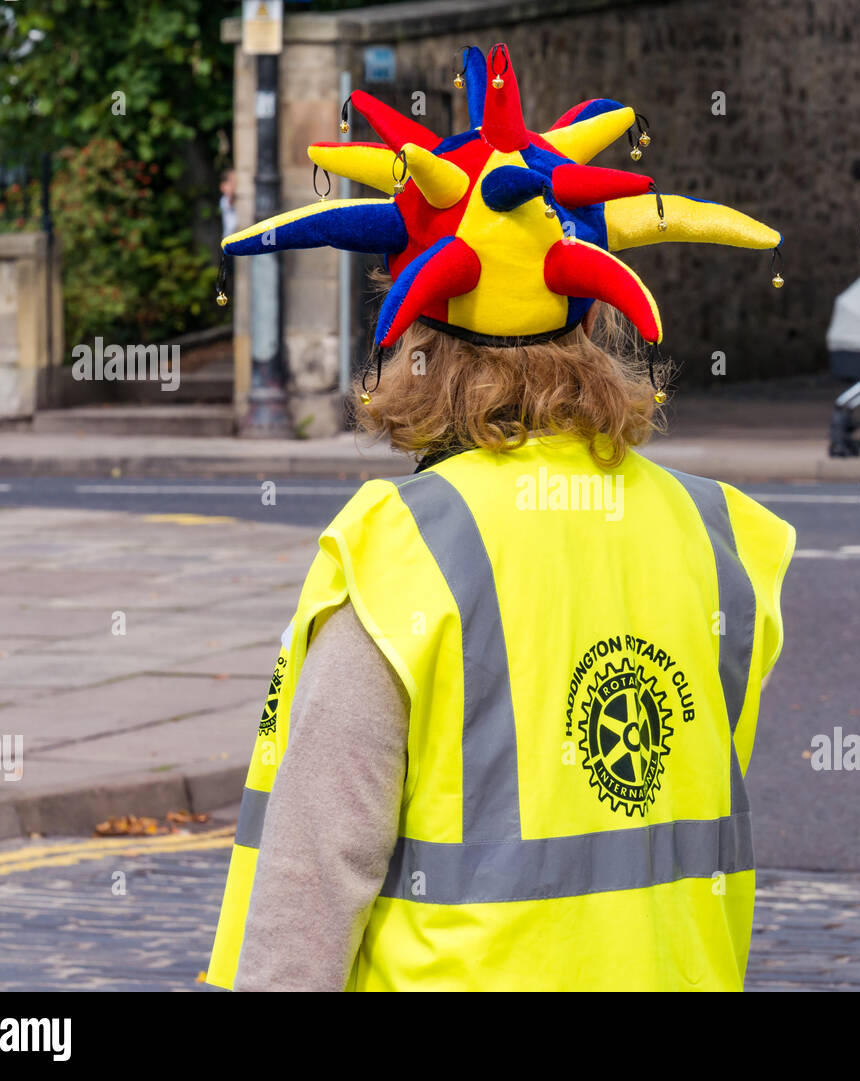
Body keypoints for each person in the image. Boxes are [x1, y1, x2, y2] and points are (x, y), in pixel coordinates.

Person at [205, 43, 796, 992]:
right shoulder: (712, 534)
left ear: (416, 340)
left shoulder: (406, 547)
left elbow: (319, 869)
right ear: (592, 322)